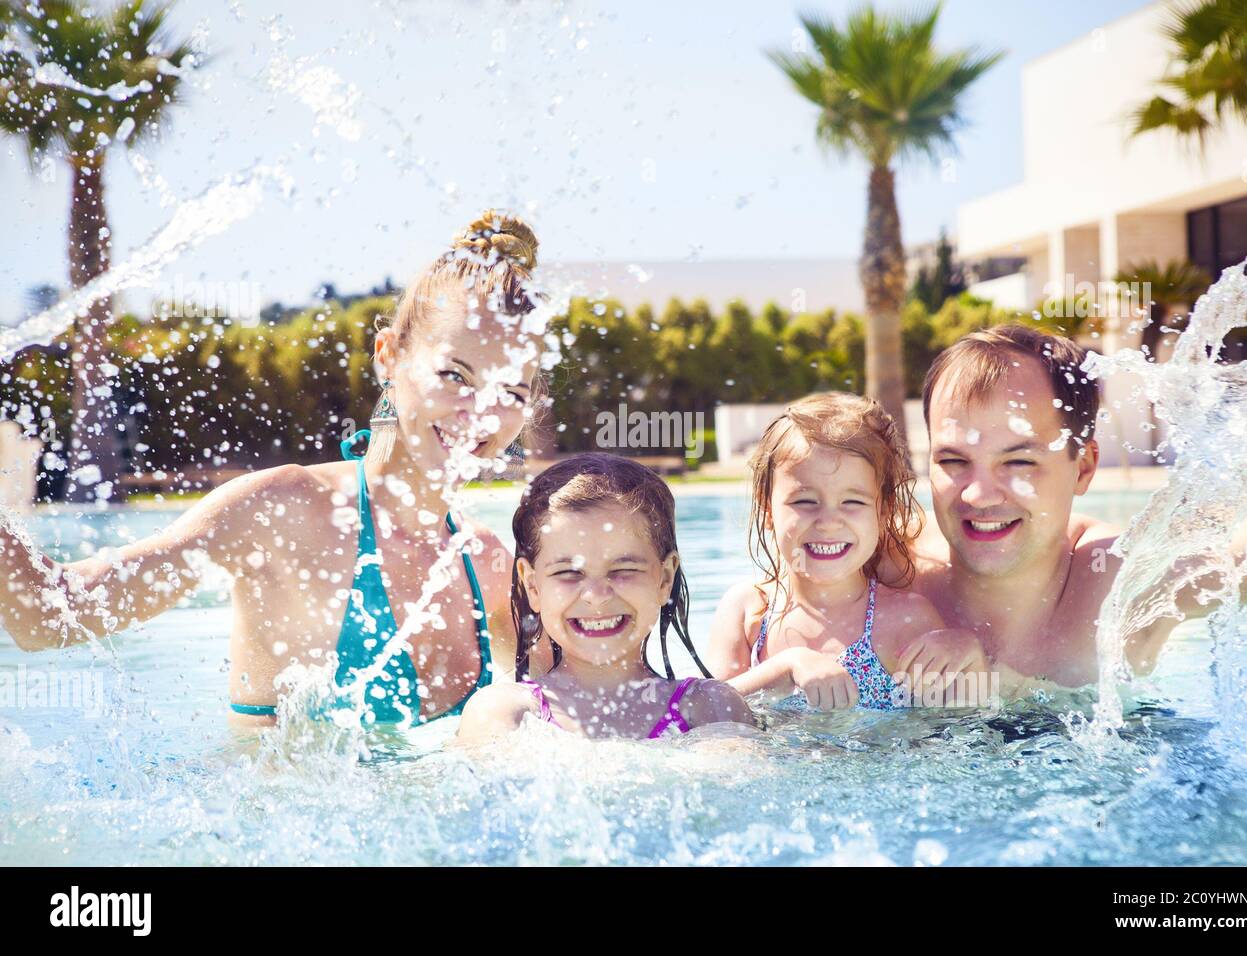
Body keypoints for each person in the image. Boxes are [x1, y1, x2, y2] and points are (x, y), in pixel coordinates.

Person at [1, 211, 547, 728]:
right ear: (389, 356)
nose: (481, 414)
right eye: (455, 374)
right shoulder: (282, 512)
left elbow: (574, 704)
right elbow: (47, 616)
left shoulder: (489, 565)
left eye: (511, 392)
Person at [910, 324, 1247, 692]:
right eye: (953, 461)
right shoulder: (891, 568)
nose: (978, 495)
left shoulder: (1118, 586)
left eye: (1019, 462)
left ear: (1083, 467)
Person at [705, 393, 988, 711]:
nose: (827, 523)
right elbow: (705, 711)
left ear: (883, 512)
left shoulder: (904, 619)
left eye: (852, 502)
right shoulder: (749, 611)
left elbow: (954, 730)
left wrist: (970, 660)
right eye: (804, 501)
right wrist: (785, 667)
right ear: (767, 509)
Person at [457, 453, 753, 740]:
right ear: (533, 587)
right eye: (568, 573)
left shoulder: (708, 707)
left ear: (664, 579)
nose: (596, 596)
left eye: (623, 569)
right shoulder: (505, 713)